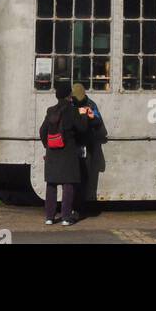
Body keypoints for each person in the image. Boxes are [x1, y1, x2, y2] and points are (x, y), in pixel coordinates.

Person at [39, 81, 88, 227]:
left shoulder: (50, 110)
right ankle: (66, 217)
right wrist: (84, 115)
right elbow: (82, 128)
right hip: (68, 153)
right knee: (68, 185)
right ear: (69, 95)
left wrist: (48, 146)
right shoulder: (72, 110)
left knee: (51, 185)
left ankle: (49, 217)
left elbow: (42, 131)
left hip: (52, 152)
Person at [72, 82, 108, 211]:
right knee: (75, 177)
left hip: (86, 145)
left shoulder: (91, 104)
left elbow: (99, 123)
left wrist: (91, 116)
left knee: (85, 176)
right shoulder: (71, 104)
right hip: (75, 145)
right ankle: (75, 205)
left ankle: (80, 205)